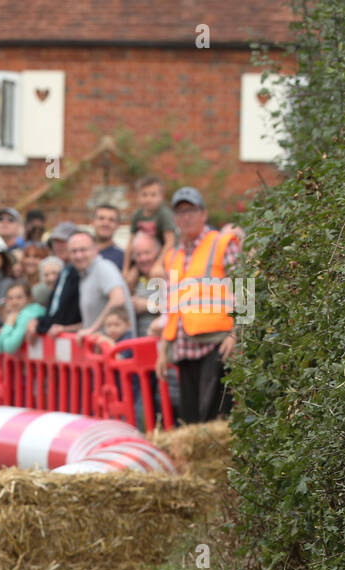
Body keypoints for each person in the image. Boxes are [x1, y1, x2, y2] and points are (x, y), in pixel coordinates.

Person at [155, 186, 243, 424]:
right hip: (184, 347)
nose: (186, 217)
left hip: (216, 344)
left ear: (204, 214)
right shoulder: (171, 256)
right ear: (174, 218)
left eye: (191, 210)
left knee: (214, 418)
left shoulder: (223, 243)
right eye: (180, 212)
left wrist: (236, 334)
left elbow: (244, 289)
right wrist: (163, 349)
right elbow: (169, 307)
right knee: (191, 421)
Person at [67, 229, 134, 335]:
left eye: (83, 250)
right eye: (74, 251)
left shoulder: (103, 268)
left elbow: (118, 299)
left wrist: (92, 330)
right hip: (102, 347)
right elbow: (91, 321)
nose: (78, 255)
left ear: (95, 250)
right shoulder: (85, 274)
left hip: (118, 349)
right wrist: (65, 329)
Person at [29, 221, 82, 339]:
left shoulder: (80, 274)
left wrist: (65, 329)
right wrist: (37, 321)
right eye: (55, 242)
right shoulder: (65, 272)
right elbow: (54, 315)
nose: (58, 246)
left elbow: (73, 317)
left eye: (63, 242)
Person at [123, 175, 177, 285]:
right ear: (138, 196)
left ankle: (159, 300)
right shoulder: (137, 215)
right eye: (144, 195)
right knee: (130, 279)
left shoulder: (164, 214)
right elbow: (130, 244)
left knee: (156, 275)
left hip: (164, 256)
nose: (148, 199)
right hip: (146, 256)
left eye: (153, 195)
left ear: (161, 196)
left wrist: (158, 263)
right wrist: (126, 269)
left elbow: (170, 242)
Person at [0, 281, 47, 355]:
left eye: (19, 297)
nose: (14, 302)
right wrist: (8, 325)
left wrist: (9, 324)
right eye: (10, 298)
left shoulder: (28, 314)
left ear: (30, 299)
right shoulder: (15, 314)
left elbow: (9, 348)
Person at [92, 204, 124, 269]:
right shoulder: (80, 253)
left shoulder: (124, 258)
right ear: (92, 222)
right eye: (101, 218)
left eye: (111, 220)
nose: (105, 223)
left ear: (118, 225)